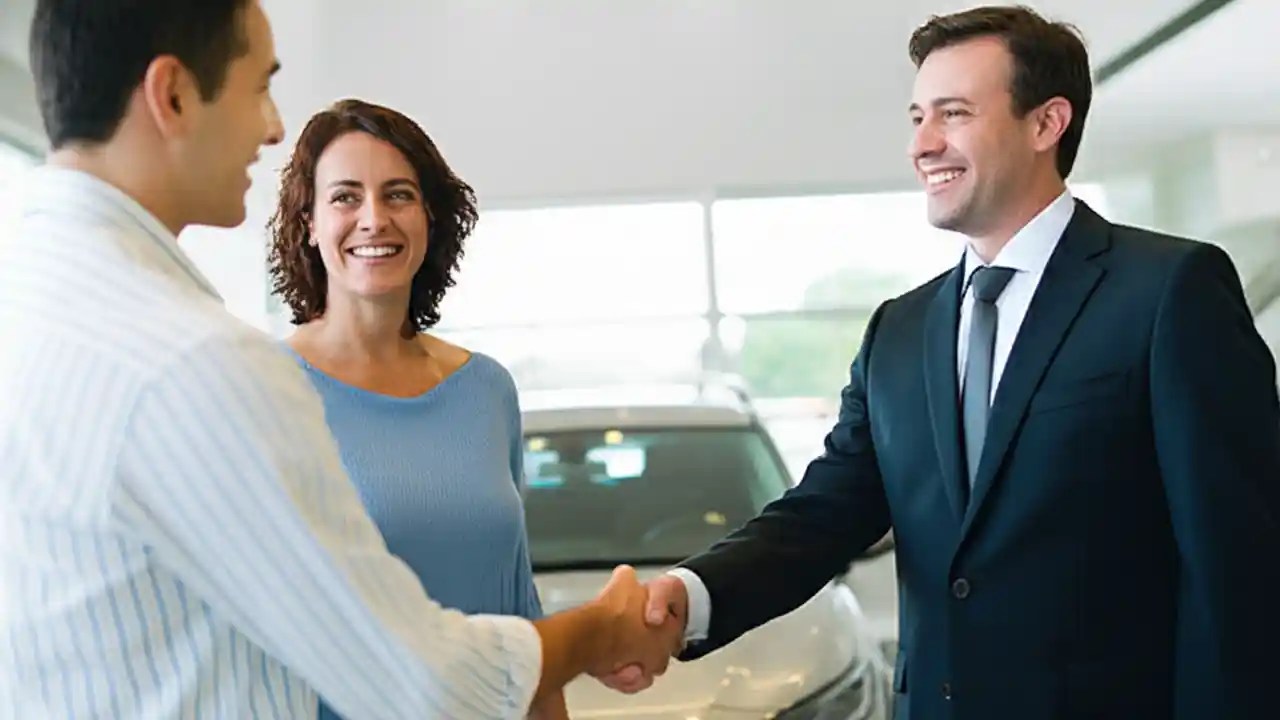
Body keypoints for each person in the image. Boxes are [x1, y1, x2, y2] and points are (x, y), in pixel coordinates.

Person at [0, 1, 680, 718]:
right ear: (172, 96)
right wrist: (598, 632)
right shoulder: (198, 363)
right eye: (258, 86)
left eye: (398, 196)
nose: (269, 127)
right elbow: (416, 681)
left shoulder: (32, 309)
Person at [607, 6, 1280, 720]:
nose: (922, 144)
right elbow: (823, 515)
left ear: (1047, 123)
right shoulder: (900, 329)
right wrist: (692, 597)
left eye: (952, 114)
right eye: (916, 117)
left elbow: (1237, 563)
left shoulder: (1167, 291)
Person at [265, 98, 569, 720]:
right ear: (309, 223)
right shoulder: (265, 388)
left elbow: (520, 607)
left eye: (398, 194)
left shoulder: (486, 389)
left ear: (431, 218)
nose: (374, 219)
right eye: (345, 197)